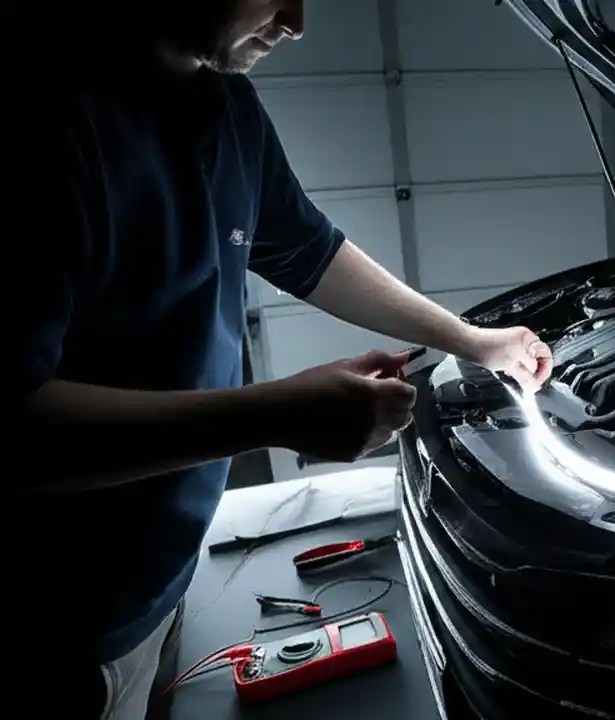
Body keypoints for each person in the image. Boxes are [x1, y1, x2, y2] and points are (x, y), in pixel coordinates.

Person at [8, 2, 553, 718]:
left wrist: (475, 340)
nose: (296, 20)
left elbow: (308, 251)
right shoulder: (46, 125)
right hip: (59, 629)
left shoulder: (227, 104)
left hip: (163, 578)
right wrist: (278, 414)